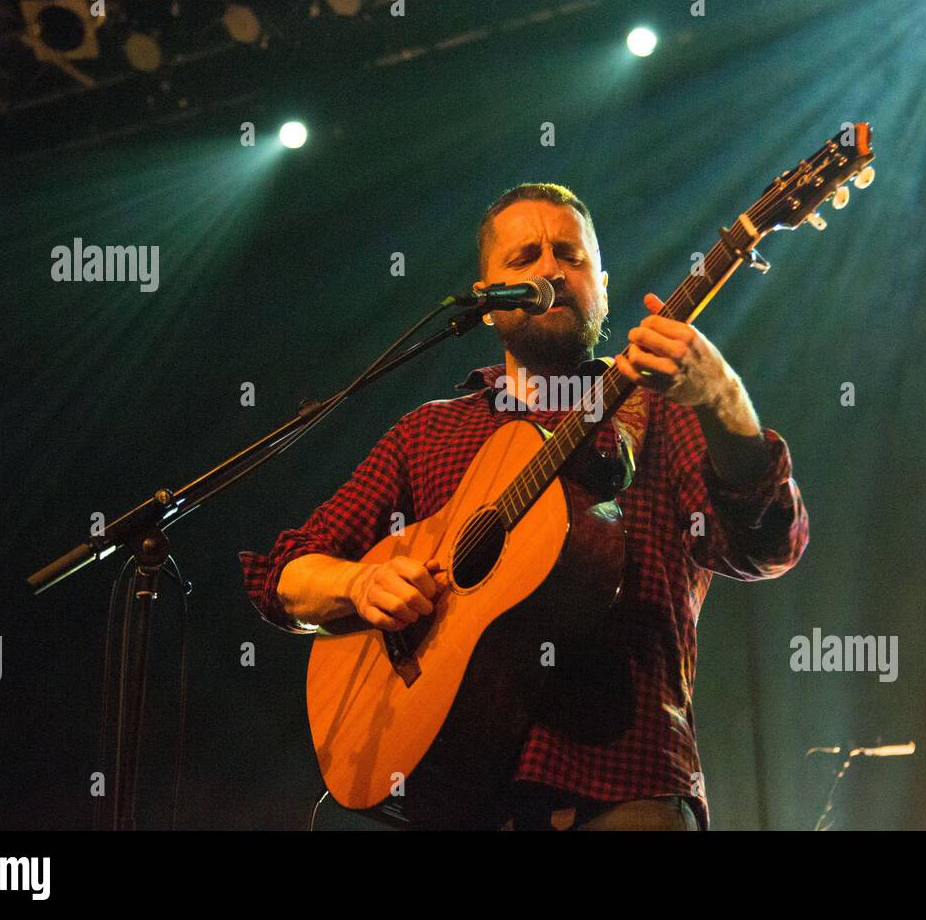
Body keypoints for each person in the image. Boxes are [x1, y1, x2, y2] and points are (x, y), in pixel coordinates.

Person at [241, 183, 809, 830]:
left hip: (619, 793)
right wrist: (360, 582)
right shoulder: (426, 434)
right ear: (485, 303)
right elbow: (284, 575)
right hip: (442, 801)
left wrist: (724, 399)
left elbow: (768, 545)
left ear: (602, 282)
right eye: (524, 258)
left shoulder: (666, 413)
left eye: (570, 255)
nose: (548, 270)